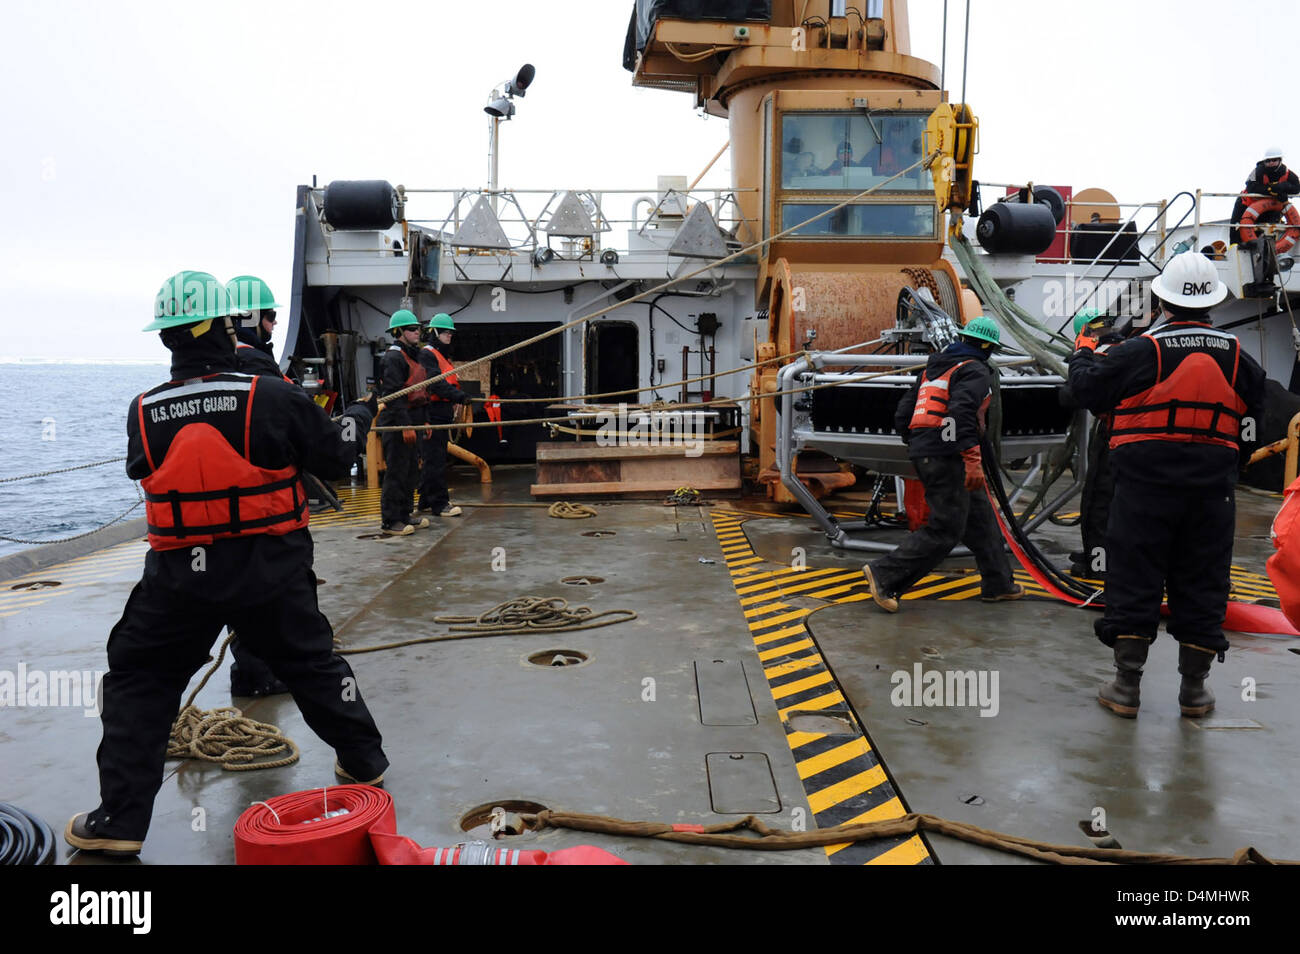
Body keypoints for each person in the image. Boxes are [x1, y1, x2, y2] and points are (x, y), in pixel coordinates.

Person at [65, 271, 388, 856]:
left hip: (178, 582)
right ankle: (364, 762)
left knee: (140, 682)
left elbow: (144, 468)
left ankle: (120, 821)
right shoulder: (273, 396)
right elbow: (336, 454)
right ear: (226, 328)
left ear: (167, 340)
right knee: (312, 665)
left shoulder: (142, 411)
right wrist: (362, 414)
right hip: (270, 567)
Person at [1067, 252, 1266, 719]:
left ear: (1161, 299)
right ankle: (1194, 691)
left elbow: (1085, 391)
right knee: (1203, 578)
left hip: (1143, 487)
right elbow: (1255, 420)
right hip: (1211, 492)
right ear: (1213, 302)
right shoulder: (1241, 358)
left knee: (1134, 575)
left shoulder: (1143, 351)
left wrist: (1083, 351)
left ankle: (1126, 687)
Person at [862, 317, 1025, 612]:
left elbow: (903, 412)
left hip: (929, 452)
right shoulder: (975, 369)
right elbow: (960, 413)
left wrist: (918, 442)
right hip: (949, 457)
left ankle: (999, 584)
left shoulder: (932, 369)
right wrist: (972, 460)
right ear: (987, 347)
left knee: (981, 519)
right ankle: (885, 574)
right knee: (946, 529)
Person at [225, 274, 293, 697]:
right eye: (269, 318)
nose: (273, 326)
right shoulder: (252, 364)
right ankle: (256, 675)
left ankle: (255, 668)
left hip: (234, 500)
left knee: (246, 591)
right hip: (256, 501)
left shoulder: (227, 362)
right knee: (256, 591)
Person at [1066, 302, 1158, 577]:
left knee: (1098, 502)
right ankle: (1100, 554)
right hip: (1138, 436)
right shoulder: (1131, 350)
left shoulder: (1102, 355)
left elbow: (1076, 393)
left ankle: (1098, 565)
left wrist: (1079, 357)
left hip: (1116, 436)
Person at [378, 309, 432, 535]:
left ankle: (405, 513)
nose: (417, 332)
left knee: (411, 471)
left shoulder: (414, 355)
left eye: (418, 328)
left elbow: (422, 391)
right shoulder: (393, 358)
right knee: (397, 471)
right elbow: (393, 395)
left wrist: (425, 421)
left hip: (416, 418)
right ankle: (391, 521)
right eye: (412, 329)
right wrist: (405, 426)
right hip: (398, 422)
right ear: (399, 332)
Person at [417, 313, 474, 517]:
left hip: (441, 414)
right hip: (431, 414)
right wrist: (459, 396)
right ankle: (440, 504)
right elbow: (435, 383)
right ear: (434, 333)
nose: (449, 336)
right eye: (445, 333)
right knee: (435, 460)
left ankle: (424, 500)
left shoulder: (441, 357)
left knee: (434, 458)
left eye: (451, 333)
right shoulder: (427, 355)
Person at [1230, 146, 1300, 244]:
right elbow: (1250, 186)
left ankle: (1265, 251)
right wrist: (1270, 190)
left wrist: (1283, 187)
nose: (1271, 163)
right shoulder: (1257, 171)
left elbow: (1297, 188)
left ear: (1280, 160)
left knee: (1263, 230)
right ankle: (1234, 247)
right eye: (1268, 161)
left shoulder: (1288, 174)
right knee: (1235, 228)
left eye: (1274, 160)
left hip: (1270, 208)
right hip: (1245, 204)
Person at [227, 274, 284, 380]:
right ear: (253, 319)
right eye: (271, 316)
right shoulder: (258, 363)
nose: (275, 322)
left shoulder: (221, 355)